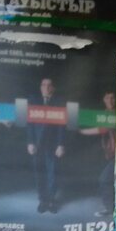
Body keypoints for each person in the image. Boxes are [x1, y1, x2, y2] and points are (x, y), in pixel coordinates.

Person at [27, 77, 65, 213]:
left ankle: (52, 200)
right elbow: (29, 124)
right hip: (37, 145)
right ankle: (43, 200)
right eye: (43, 85)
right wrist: (30, 142)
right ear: (40, 87)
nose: (46, 88)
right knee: (39, 174)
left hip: (53, 145)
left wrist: (61, 144)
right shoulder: (33, 100)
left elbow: (62, 126)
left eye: (49, 85)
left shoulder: (59, 102)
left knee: (52, 173)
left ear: (53, 88)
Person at [81, 89, 116, 218]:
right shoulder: (104, 113)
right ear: (104, 100)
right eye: (107, 98)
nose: (110, 101)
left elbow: (102, 129)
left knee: (105, 179)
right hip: (111, 153)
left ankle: (111, 209)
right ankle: (113, 207)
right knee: (111, 180)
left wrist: (81, 132)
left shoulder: (115, 114)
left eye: (112, 98)